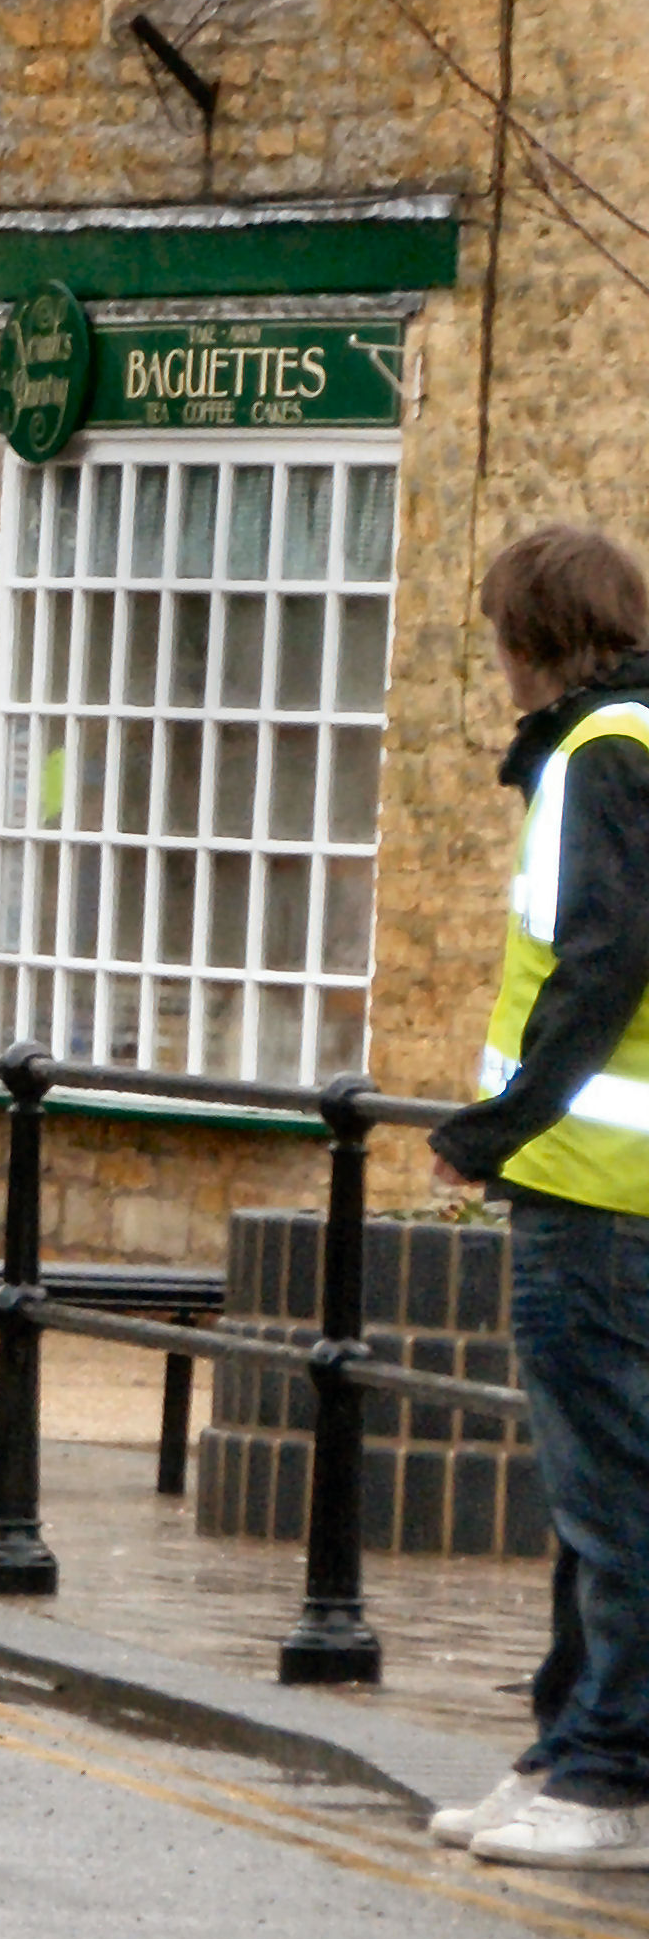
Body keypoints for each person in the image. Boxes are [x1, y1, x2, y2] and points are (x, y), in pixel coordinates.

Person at [426, 527, 649, 1871]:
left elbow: (602, 960)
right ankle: (569, 1745)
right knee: (601, 1490)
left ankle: (607, 1776)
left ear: (529, 639)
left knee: (610, 1495)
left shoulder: (596, 753)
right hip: (618, 1184)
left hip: (590, 1183)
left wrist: (496, 1129)